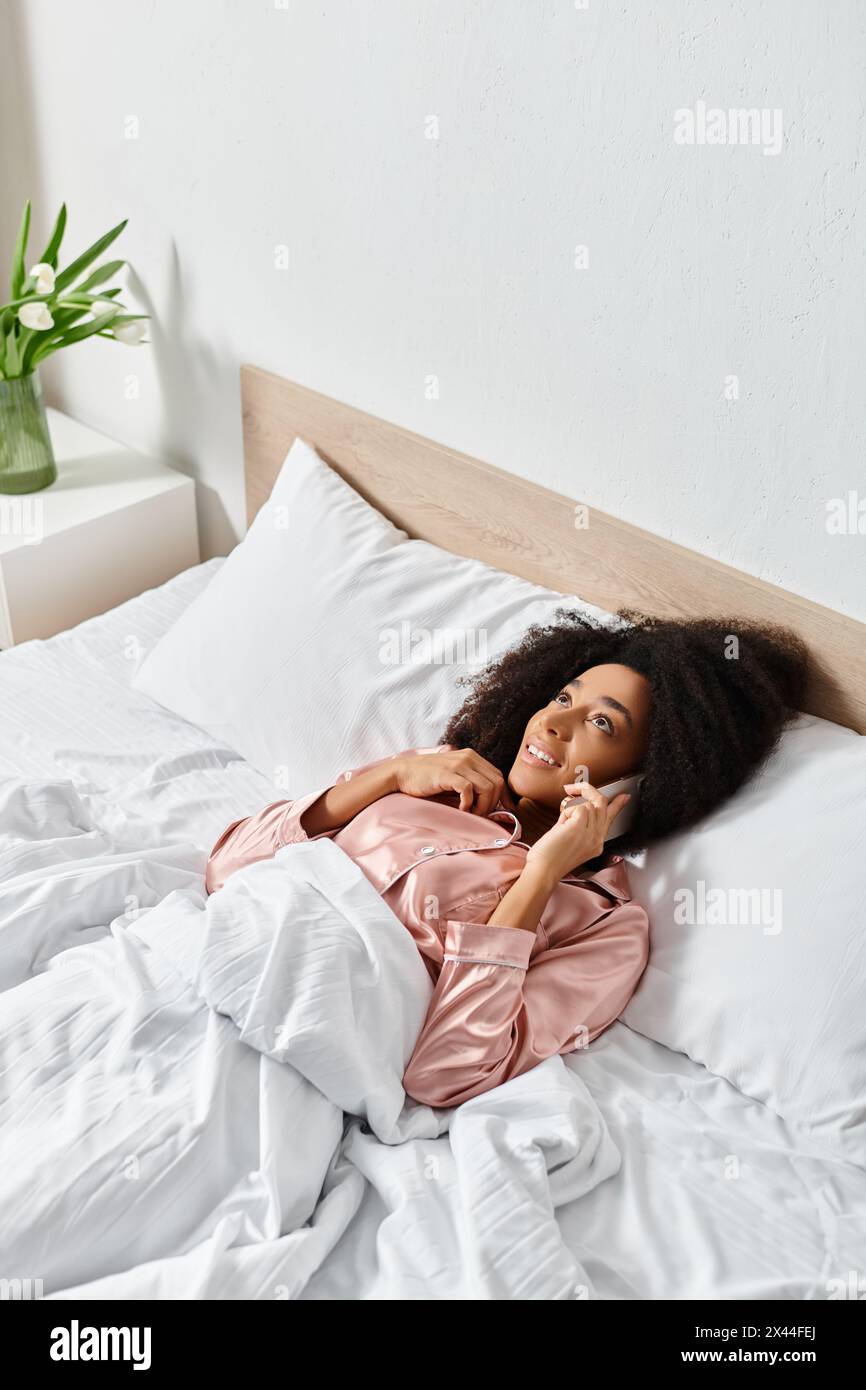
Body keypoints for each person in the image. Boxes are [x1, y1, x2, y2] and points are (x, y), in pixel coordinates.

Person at [205, 609, 809, 1109]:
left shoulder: (607, 926)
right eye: (561, 697)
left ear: (651, 779)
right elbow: (228, 867)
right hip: (208, 968)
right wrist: (388, 773)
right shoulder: (437, 779)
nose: (551, 722)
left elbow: (448, 1074)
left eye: (600, 722)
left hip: (294, 1061)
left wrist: (543, 872)